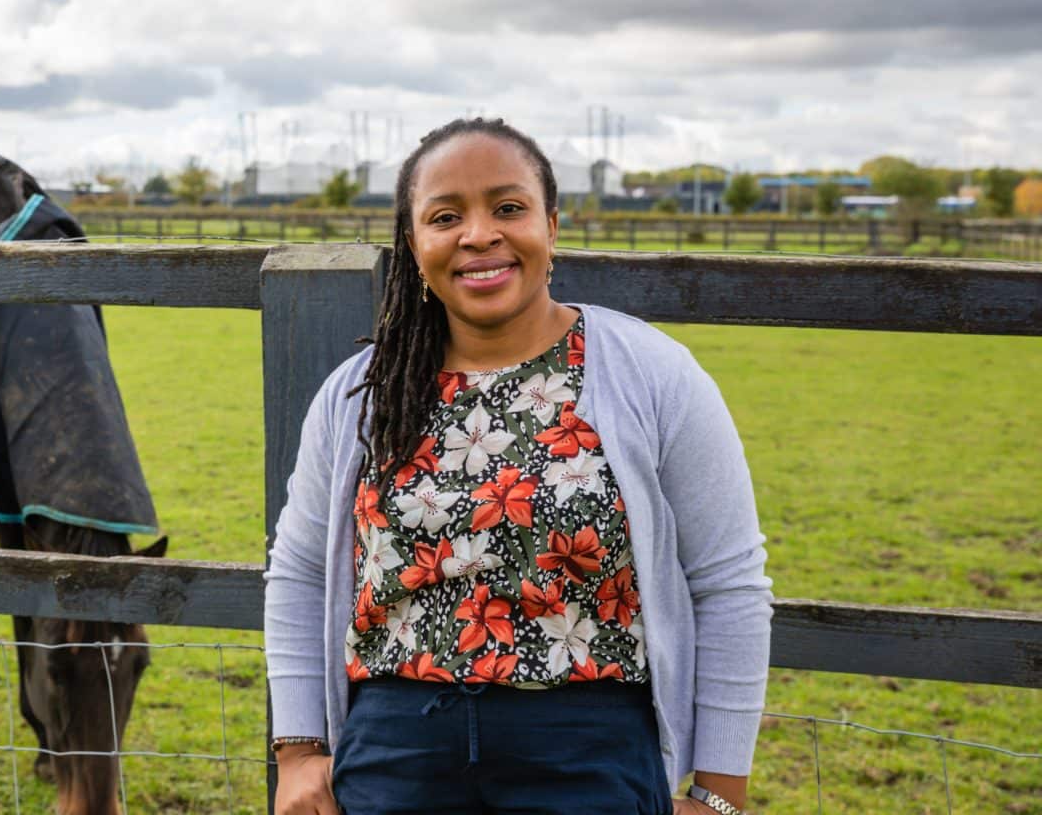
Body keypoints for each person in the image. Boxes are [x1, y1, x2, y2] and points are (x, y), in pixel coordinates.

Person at [265, 118, 771, 815]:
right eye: (446, 217)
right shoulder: (363, 392)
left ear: (550, 226)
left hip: (589, 760)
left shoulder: (652, 376)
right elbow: (299, 571)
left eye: (508, 207)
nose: (479, 235)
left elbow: (729, 582)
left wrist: (719, 795)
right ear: (413, 245)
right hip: (393, 758)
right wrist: (297, 750)